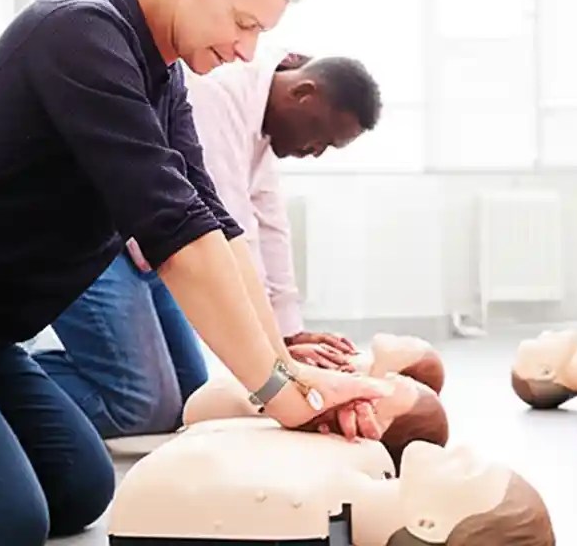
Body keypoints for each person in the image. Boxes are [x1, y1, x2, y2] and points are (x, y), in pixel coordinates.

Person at [0, 0, 385, 545]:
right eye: (243, 23)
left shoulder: (162, 77)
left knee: (81, 486)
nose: (248, 50)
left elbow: (214, 227)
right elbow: (175, 238)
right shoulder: (79, 33)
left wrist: (287, 365)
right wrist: (278, 391)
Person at [32, 51, 380, 439]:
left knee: (188, 397)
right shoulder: (220, 95)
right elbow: (231, 235)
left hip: (146, 250)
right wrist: (279, 368)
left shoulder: (262, 126)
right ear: (303, 94)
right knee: (139, 407)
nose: (315, 151)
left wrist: (288, 334)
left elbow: (271, 225)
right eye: (321, 137)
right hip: (92, 238)